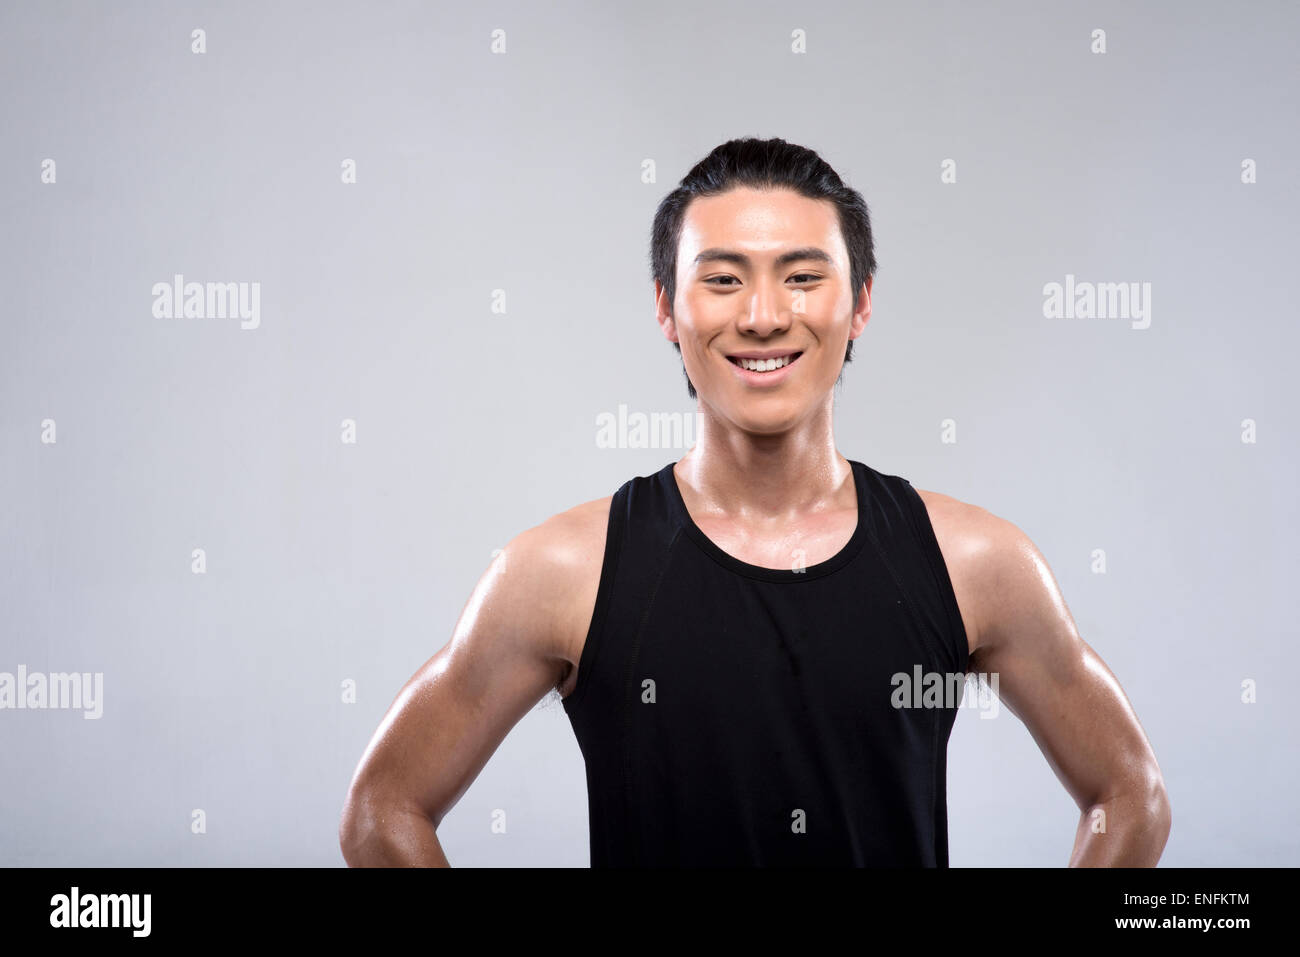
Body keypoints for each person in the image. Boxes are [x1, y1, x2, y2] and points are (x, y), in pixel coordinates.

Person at [338, 137, 1171, 867]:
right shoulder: (563, 570)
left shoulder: (976, 563)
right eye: (724, 279)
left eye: (804, 277)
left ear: (861, 304)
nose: (765, 315)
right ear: (668, 307)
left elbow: (1130, 795)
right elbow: (382, 811)